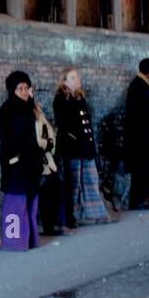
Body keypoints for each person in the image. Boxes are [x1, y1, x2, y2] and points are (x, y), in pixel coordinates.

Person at [53, 70, 110, 226]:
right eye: (73, 77)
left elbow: (86, 124)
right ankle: (73, 215)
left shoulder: (80, 98)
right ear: (64, 82)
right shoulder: (61, 99)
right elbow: (64, 125)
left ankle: (96, 213)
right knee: (74, 183)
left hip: (86, 146)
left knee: (91, 179)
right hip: (73, 147)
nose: (77, 79)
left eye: (77, 76)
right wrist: (77, 140)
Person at [0, 71, 45, 250]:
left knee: (31, 202)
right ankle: (15, 241)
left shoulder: (29, 109)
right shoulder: (6, 110)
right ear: (12, 90)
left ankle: (30, 240)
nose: (24, 92)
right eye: (20, 88)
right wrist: (16, 159)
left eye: (26, 88)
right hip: (16, 164)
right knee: (16, 202)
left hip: (31, 163)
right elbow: (7, 140)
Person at [123, 58, 149, 210]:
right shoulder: (140, 86)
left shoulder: (143, 85)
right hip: (141, 135)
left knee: (145, 168)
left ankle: (148, 197)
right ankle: (141, 199)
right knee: (142, 168)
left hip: (144, 134)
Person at [35, 97, 64, 234]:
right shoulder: (28, 115)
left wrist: (49, 143)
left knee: (55, 188)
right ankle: (47, 225)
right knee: (45, 193)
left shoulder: (38, 113)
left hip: (48, 160)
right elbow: (36, 139)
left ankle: (53, 224)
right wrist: (46, 143)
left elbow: (49, 134)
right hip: (38, 160)